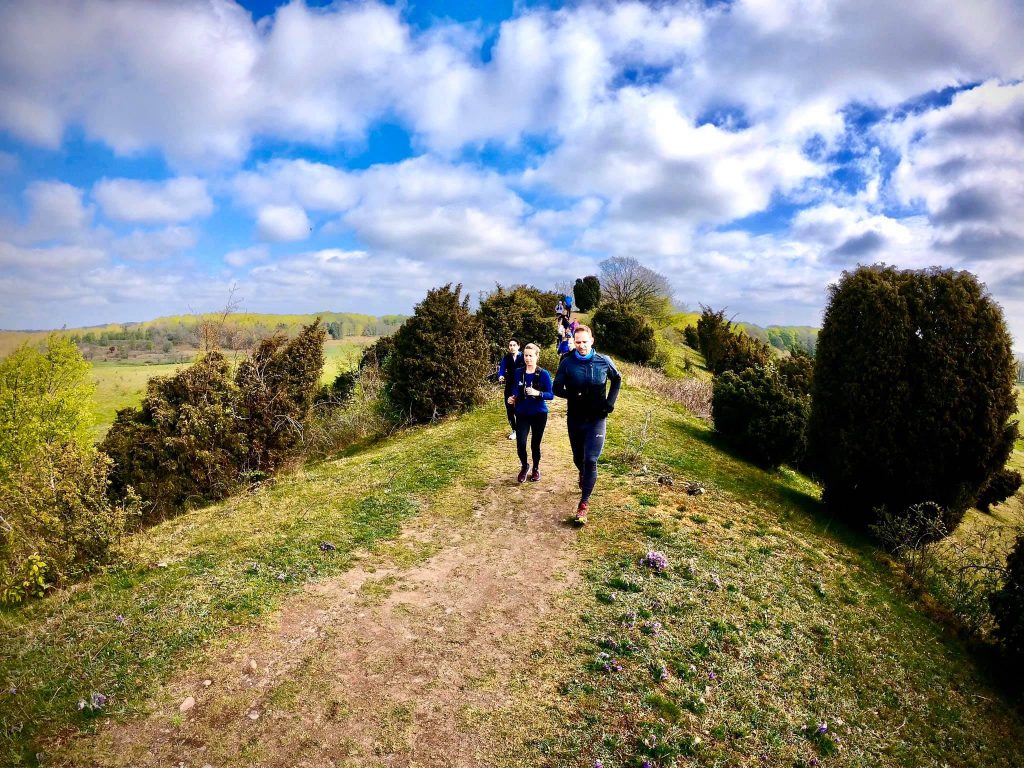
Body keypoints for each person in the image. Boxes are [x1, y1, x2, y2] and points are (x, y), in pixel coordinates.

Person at [553, 325, 621, 524]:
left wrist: (609, 403)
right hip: (575, 418)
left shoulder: (603, 361)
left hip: (597, 418)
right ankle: (582, 473)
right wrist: (571, 394)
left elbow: (617, 379)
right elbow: (557, 387)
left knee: (591, 459)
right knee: (578, 459)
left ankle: (583, 504)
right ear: (573, 341)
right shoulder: (567, 362)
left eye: (585, 341)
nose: (581, 346)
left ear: (592, 340)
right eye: (578, 342)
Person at [506, 343, 554, 483]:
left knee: (535, 444)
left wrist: (537, 393)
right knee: (521, 443)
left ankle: (536, 468)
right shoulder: (518, 372)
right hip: (522, 413)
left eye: (530, 356)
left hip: (539, 414)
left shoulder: (543, 374)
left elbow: (551, 395)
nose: (528, 358)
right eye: (526, 355)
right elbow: (515, 388)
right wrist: (512, 397)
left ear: (537, 356)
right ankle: (524, 466)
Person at [497, 339, 524, 440]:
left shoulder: (523, 357)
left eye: (514, 345)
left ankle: (522, 428)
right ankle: (514, 430)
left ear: (518, 346)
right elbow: (502, 368)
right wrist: (501, 376)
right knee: (509, 409)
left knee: (520, 408)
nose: (512, 347)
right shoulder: (506, 358)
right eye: (510, 345)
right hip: (509, 385)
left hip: (521, 385)